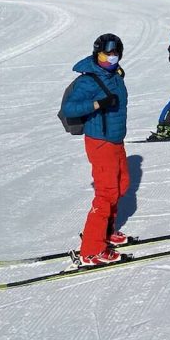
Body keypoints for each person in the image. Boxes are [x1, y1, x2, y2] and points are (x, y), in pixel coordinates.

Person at [60, 33, 129, 266]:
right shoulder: (88, 80)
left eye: (114, 54)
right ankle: (91, 249)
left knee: (122, 185)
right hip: (100, 142)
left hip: (116, 139)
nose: (110, 58)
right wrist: (97, 104)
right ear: (96, 54)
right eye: (105, 54)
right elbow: (69, 108)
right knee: (106, 193)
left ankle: (107, 232)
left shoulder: (116, 75)